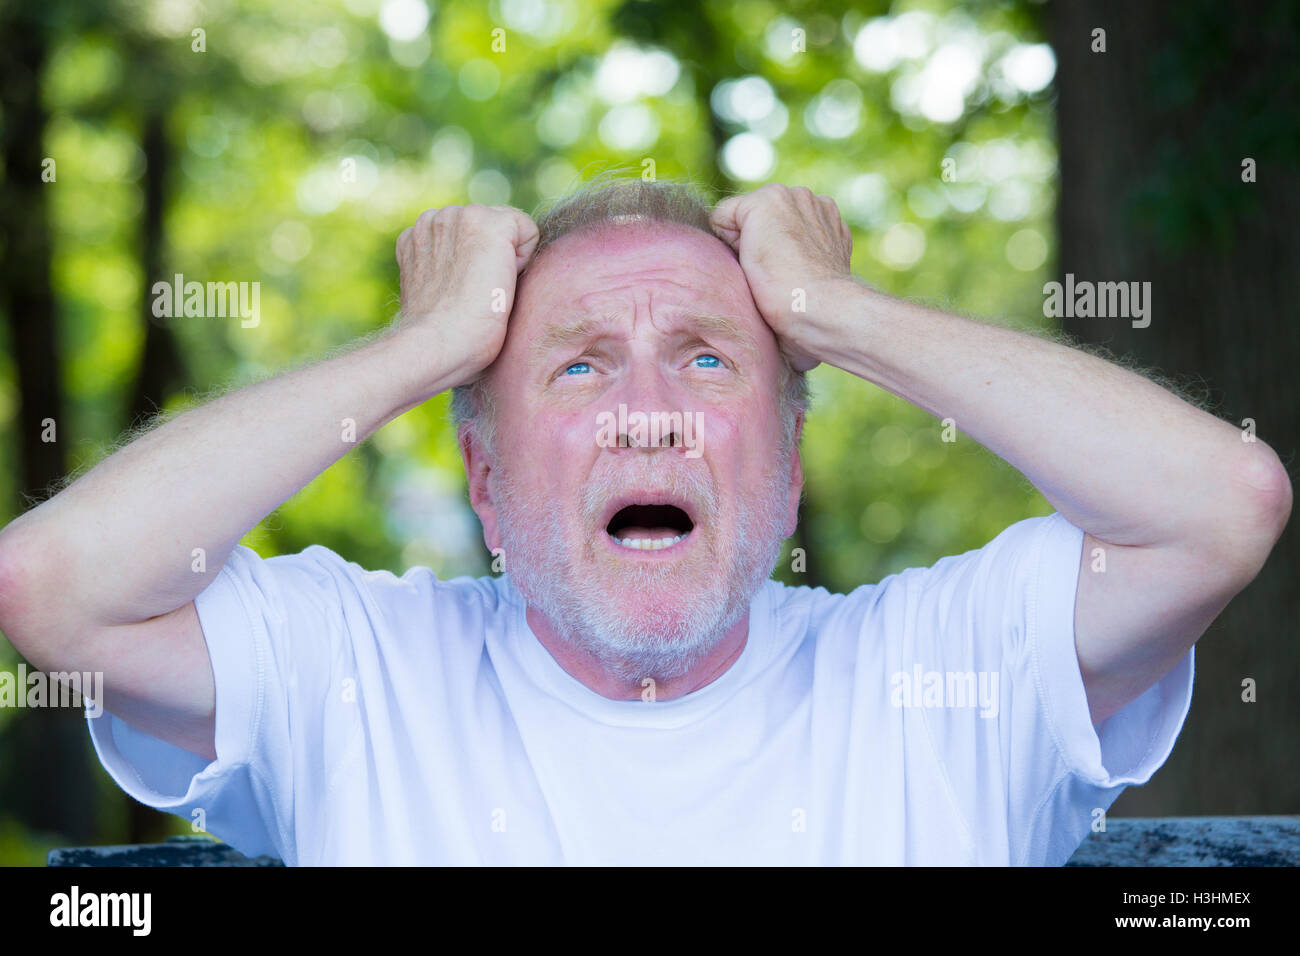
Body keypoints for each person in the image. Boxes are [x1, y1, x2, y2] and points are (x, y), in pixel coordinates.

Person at [0, 177, 1289, 865]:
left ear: (786, 473)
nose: (649, 414)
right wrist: (427, 343)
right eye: (577, 366)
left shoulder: (948, 666)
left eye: (709, 360)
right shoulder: (353, 668)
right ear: (486, 487)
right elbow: (54, 584)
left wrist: (833, 310)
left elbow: (1221, 505)